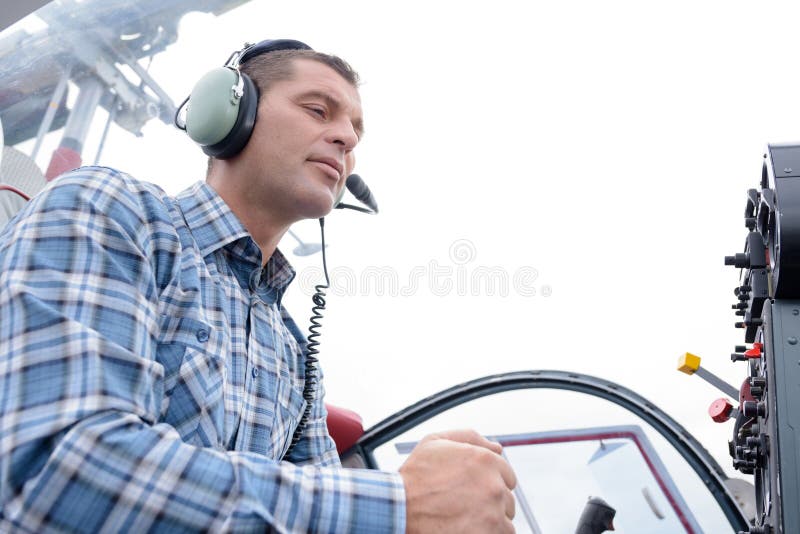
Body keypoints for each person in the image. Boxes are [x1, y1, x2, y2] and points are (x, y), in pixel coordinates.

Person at [0, 39, 517, 532]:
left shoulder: (294, 352)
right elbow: (53, 471)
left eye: (356, 131)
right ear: (227, 114)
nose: (347, 139)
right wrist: (402, 507)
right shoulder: (111, 208)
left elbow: (321, 506)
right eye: (319, 110)